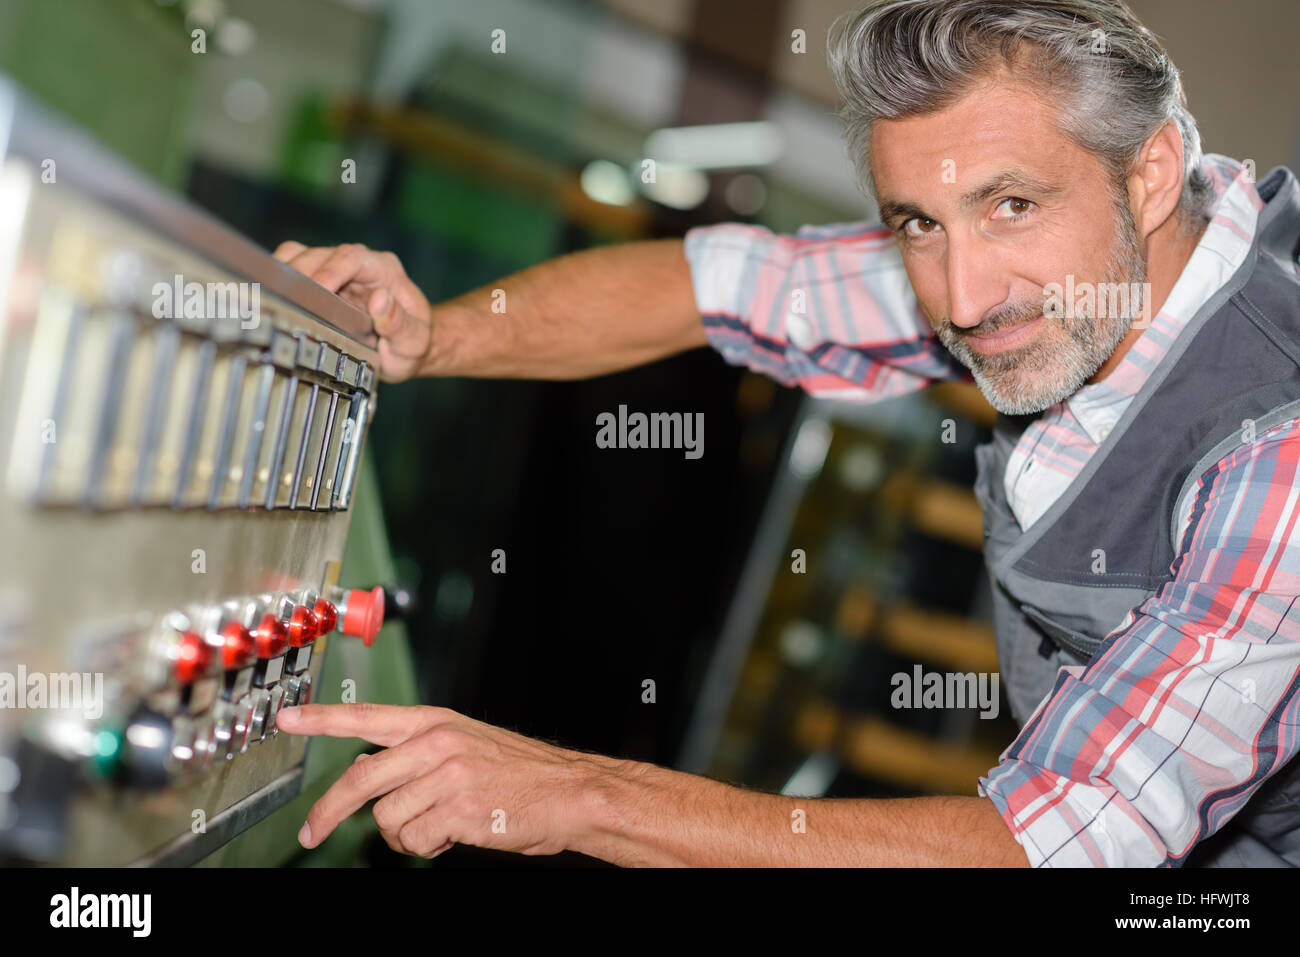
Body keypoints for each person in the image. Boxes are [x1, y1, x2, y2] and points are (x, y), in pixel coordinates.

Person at [272, 0, 1300, 866]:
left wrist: (577, 793)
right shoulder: (1050, 272)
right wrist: (436, 337)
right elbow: (716, 287)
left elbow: (1059, 840)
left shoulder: (1275, 437)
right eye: (917, 223)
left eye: (1013, 205)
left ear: (1151, 174)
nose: (963, 295)